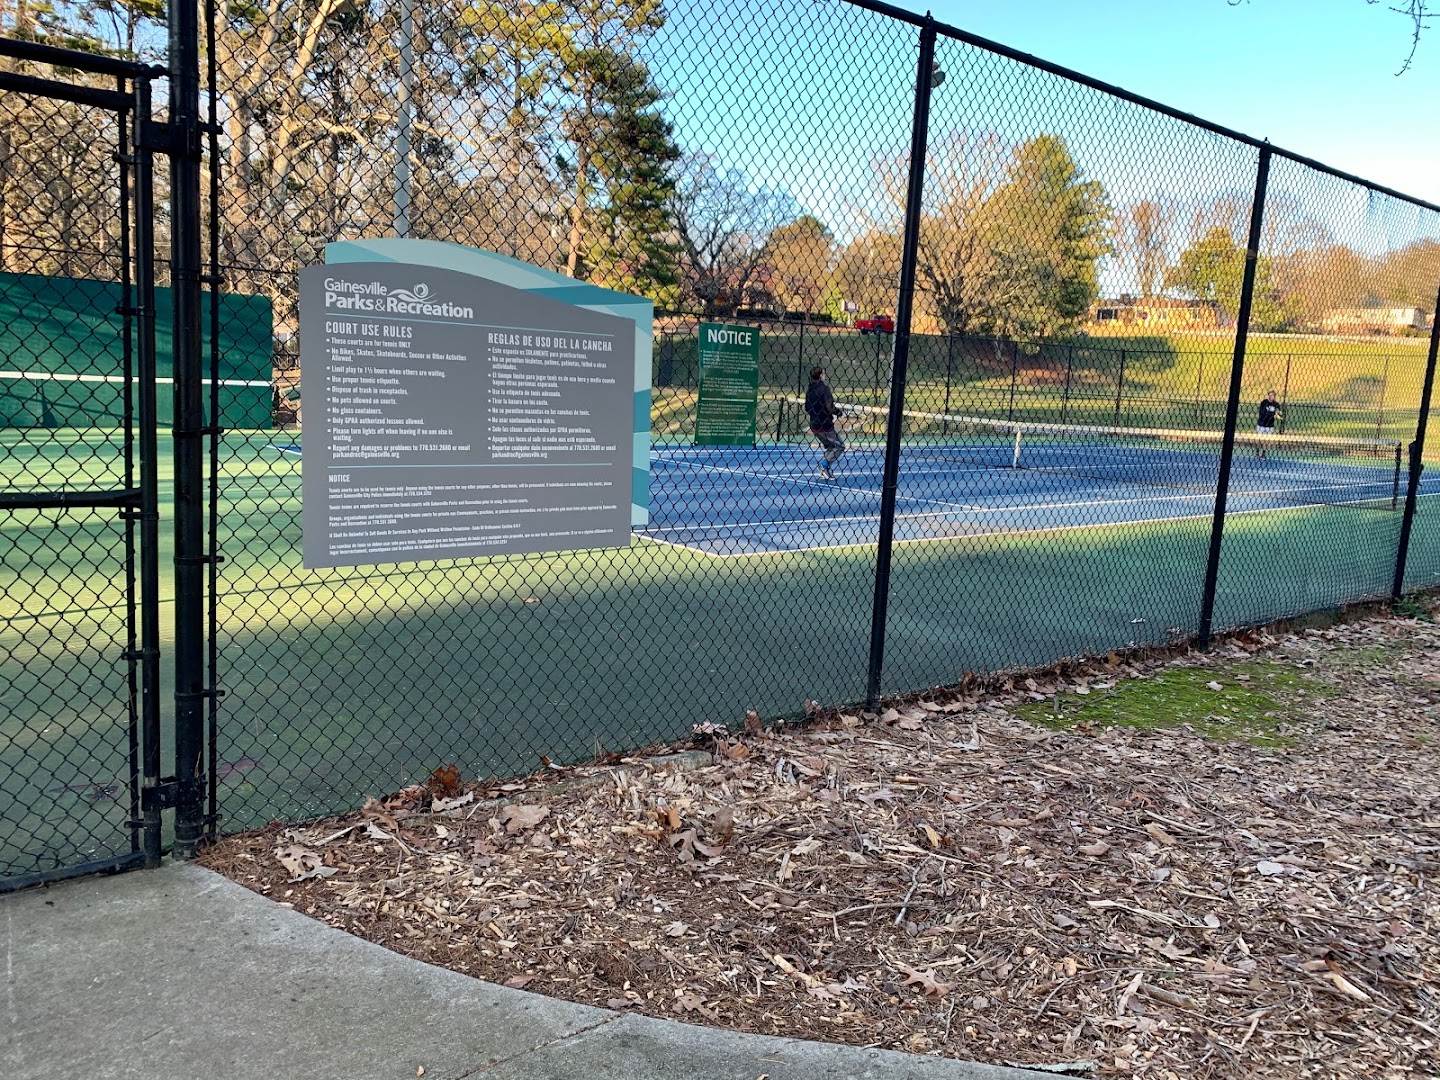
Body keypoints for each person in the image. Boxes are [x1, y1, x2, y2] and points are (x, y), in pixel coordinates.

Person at [804, 365, 845, 480]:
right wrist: (840, 413)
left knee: (831, 446)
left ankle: (824, 469)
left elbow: (807, 407)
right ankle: (823, 466)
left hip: (814, 425)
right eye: (824, 373)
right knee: (839, 446)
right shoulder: (825, 389)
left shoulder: (810, 389)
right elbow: (829, 407)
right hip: (824, 425)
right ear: (821, 375)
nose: (825, 375)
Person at [1255, 389, 1282, 458]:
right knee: (1259, 439)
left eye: (1273, 395)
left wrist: (1278, 413)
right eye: (1271, 395)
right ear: (1268, 395)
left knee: (1266, 440)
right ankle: (1257, 451)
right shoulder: (1264, 403)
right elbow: (1262, 413)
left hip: (1270, 425)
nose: (1272, 396)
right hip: (1261, 424)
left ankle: (1263, 454)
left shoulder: (1276, 404)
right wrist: (1273, 414)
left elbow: (1280, 412)